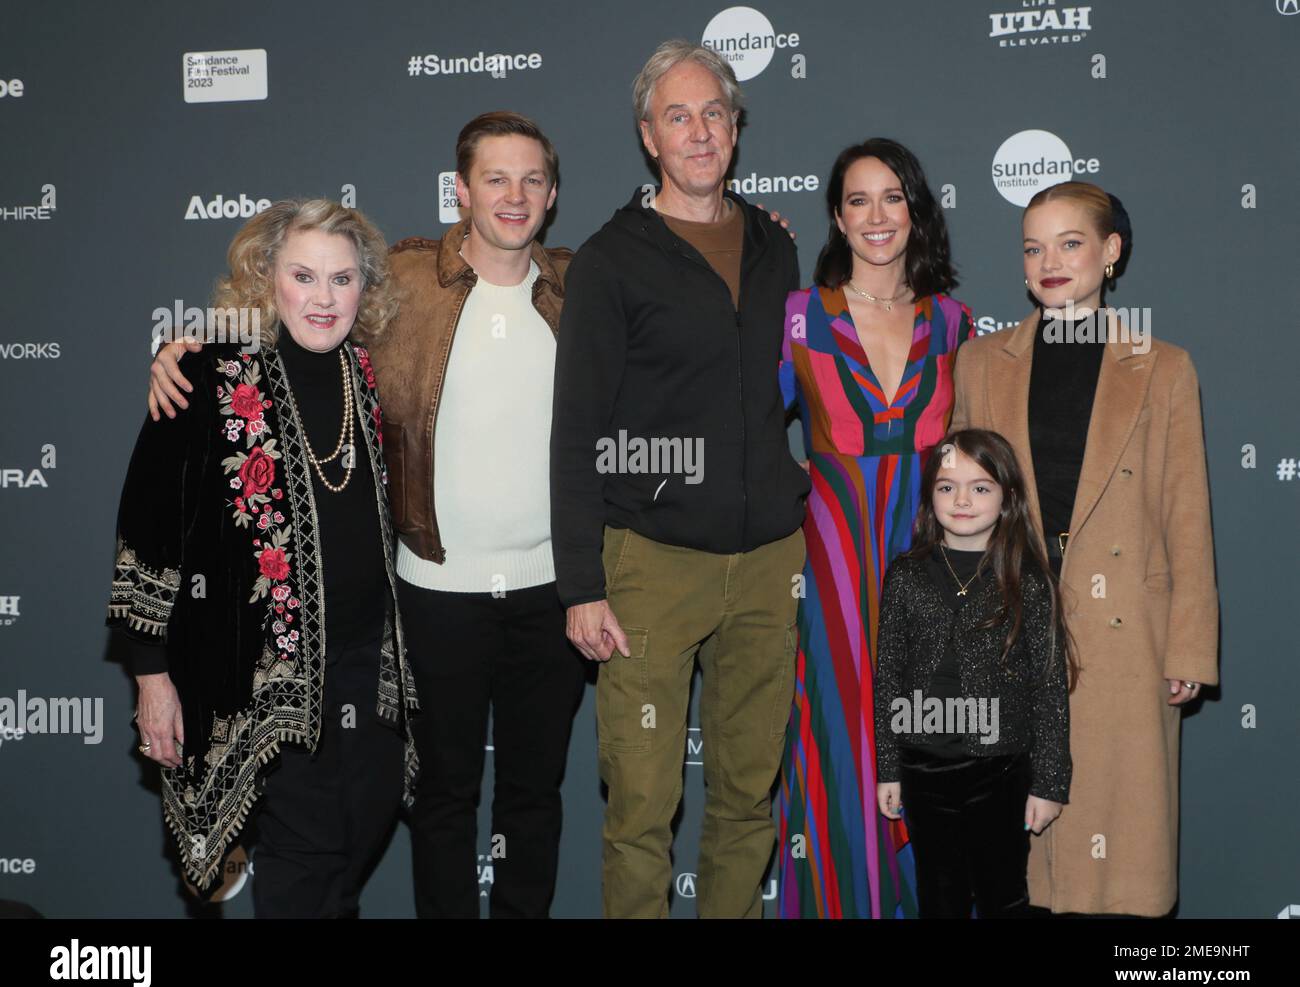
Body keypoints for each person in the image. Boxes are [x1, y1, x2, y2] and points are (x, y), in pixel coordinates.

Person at [148, 112, 590, 919]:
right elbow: (295, 304)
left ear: (554, 194)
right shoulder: (411, 283)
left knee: (531, 797)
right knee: (438, 801)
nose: (514, 195)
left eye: (532, 179)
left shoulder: (581, 287)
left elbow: (672, 298)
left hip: (545, 593)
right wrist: (192, 345)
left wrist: (743, 231)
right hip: (430, 594)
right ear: (462, 190)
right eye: (495, 177)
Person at [550, 40, 810, 918]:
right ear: (647, 137)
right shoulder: (611, 259)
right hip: (651, 565)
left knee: (747, 797)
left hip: (772, 560)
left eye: (714, 114)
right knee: (641, 809)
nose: (699, 132)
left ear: (735, 128)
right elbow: (577, 430)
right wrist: (583, 583)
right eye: (678, 116)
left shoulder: (778, 250)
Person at [110, 199, 418, 916]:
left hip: (365, 664)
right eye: (303, 275)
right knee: (305, 858)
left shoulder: (369, 376)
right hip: (257, 677)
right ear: (266, 279)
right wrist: (151, 677)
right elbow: (146, 532)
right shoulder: (204, 378)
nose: (323, 297)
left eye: (342, 279)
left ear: (363, 289)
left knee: (356, 834)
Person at [951, 181, 1218, 916]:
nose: (1050, 262)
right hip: (1012, 633)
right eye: (1033, 247)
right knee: (1023, 869)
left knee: (1121, 854)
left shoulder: (1163, 367)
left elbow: (1186, 516)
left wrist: (1188, 648)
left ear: (1110, 252)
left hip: (1128, 635)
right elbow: (963, 518)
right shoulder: (978, 364)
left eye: (1070, 243)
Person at [777, 139, 976, 918]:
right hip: (832, 576)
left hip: (932, 574)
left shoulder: (953, 323)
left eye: (892, 197)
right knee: (840, 752)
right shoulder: (800, 317)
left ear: (916, 208)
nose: (876, 215)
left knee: (931, 750)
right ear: (836, 216)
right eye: (857, 200)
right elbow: (745, 435)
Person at [873, 429, 1072, 918]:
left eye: (980, 487)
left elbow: (1049, 685)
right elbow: (889, 678)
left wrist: (1049, 782)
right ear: (929, 498)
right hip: (923, 768)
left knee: (1003, 896)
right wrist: (888, 768)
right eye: (946, 487)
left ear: (1006, 499)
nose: (962, 500)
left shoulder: (1027, 579)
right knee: (940, 900)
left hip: (1000, 769)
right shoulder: (906, 574)